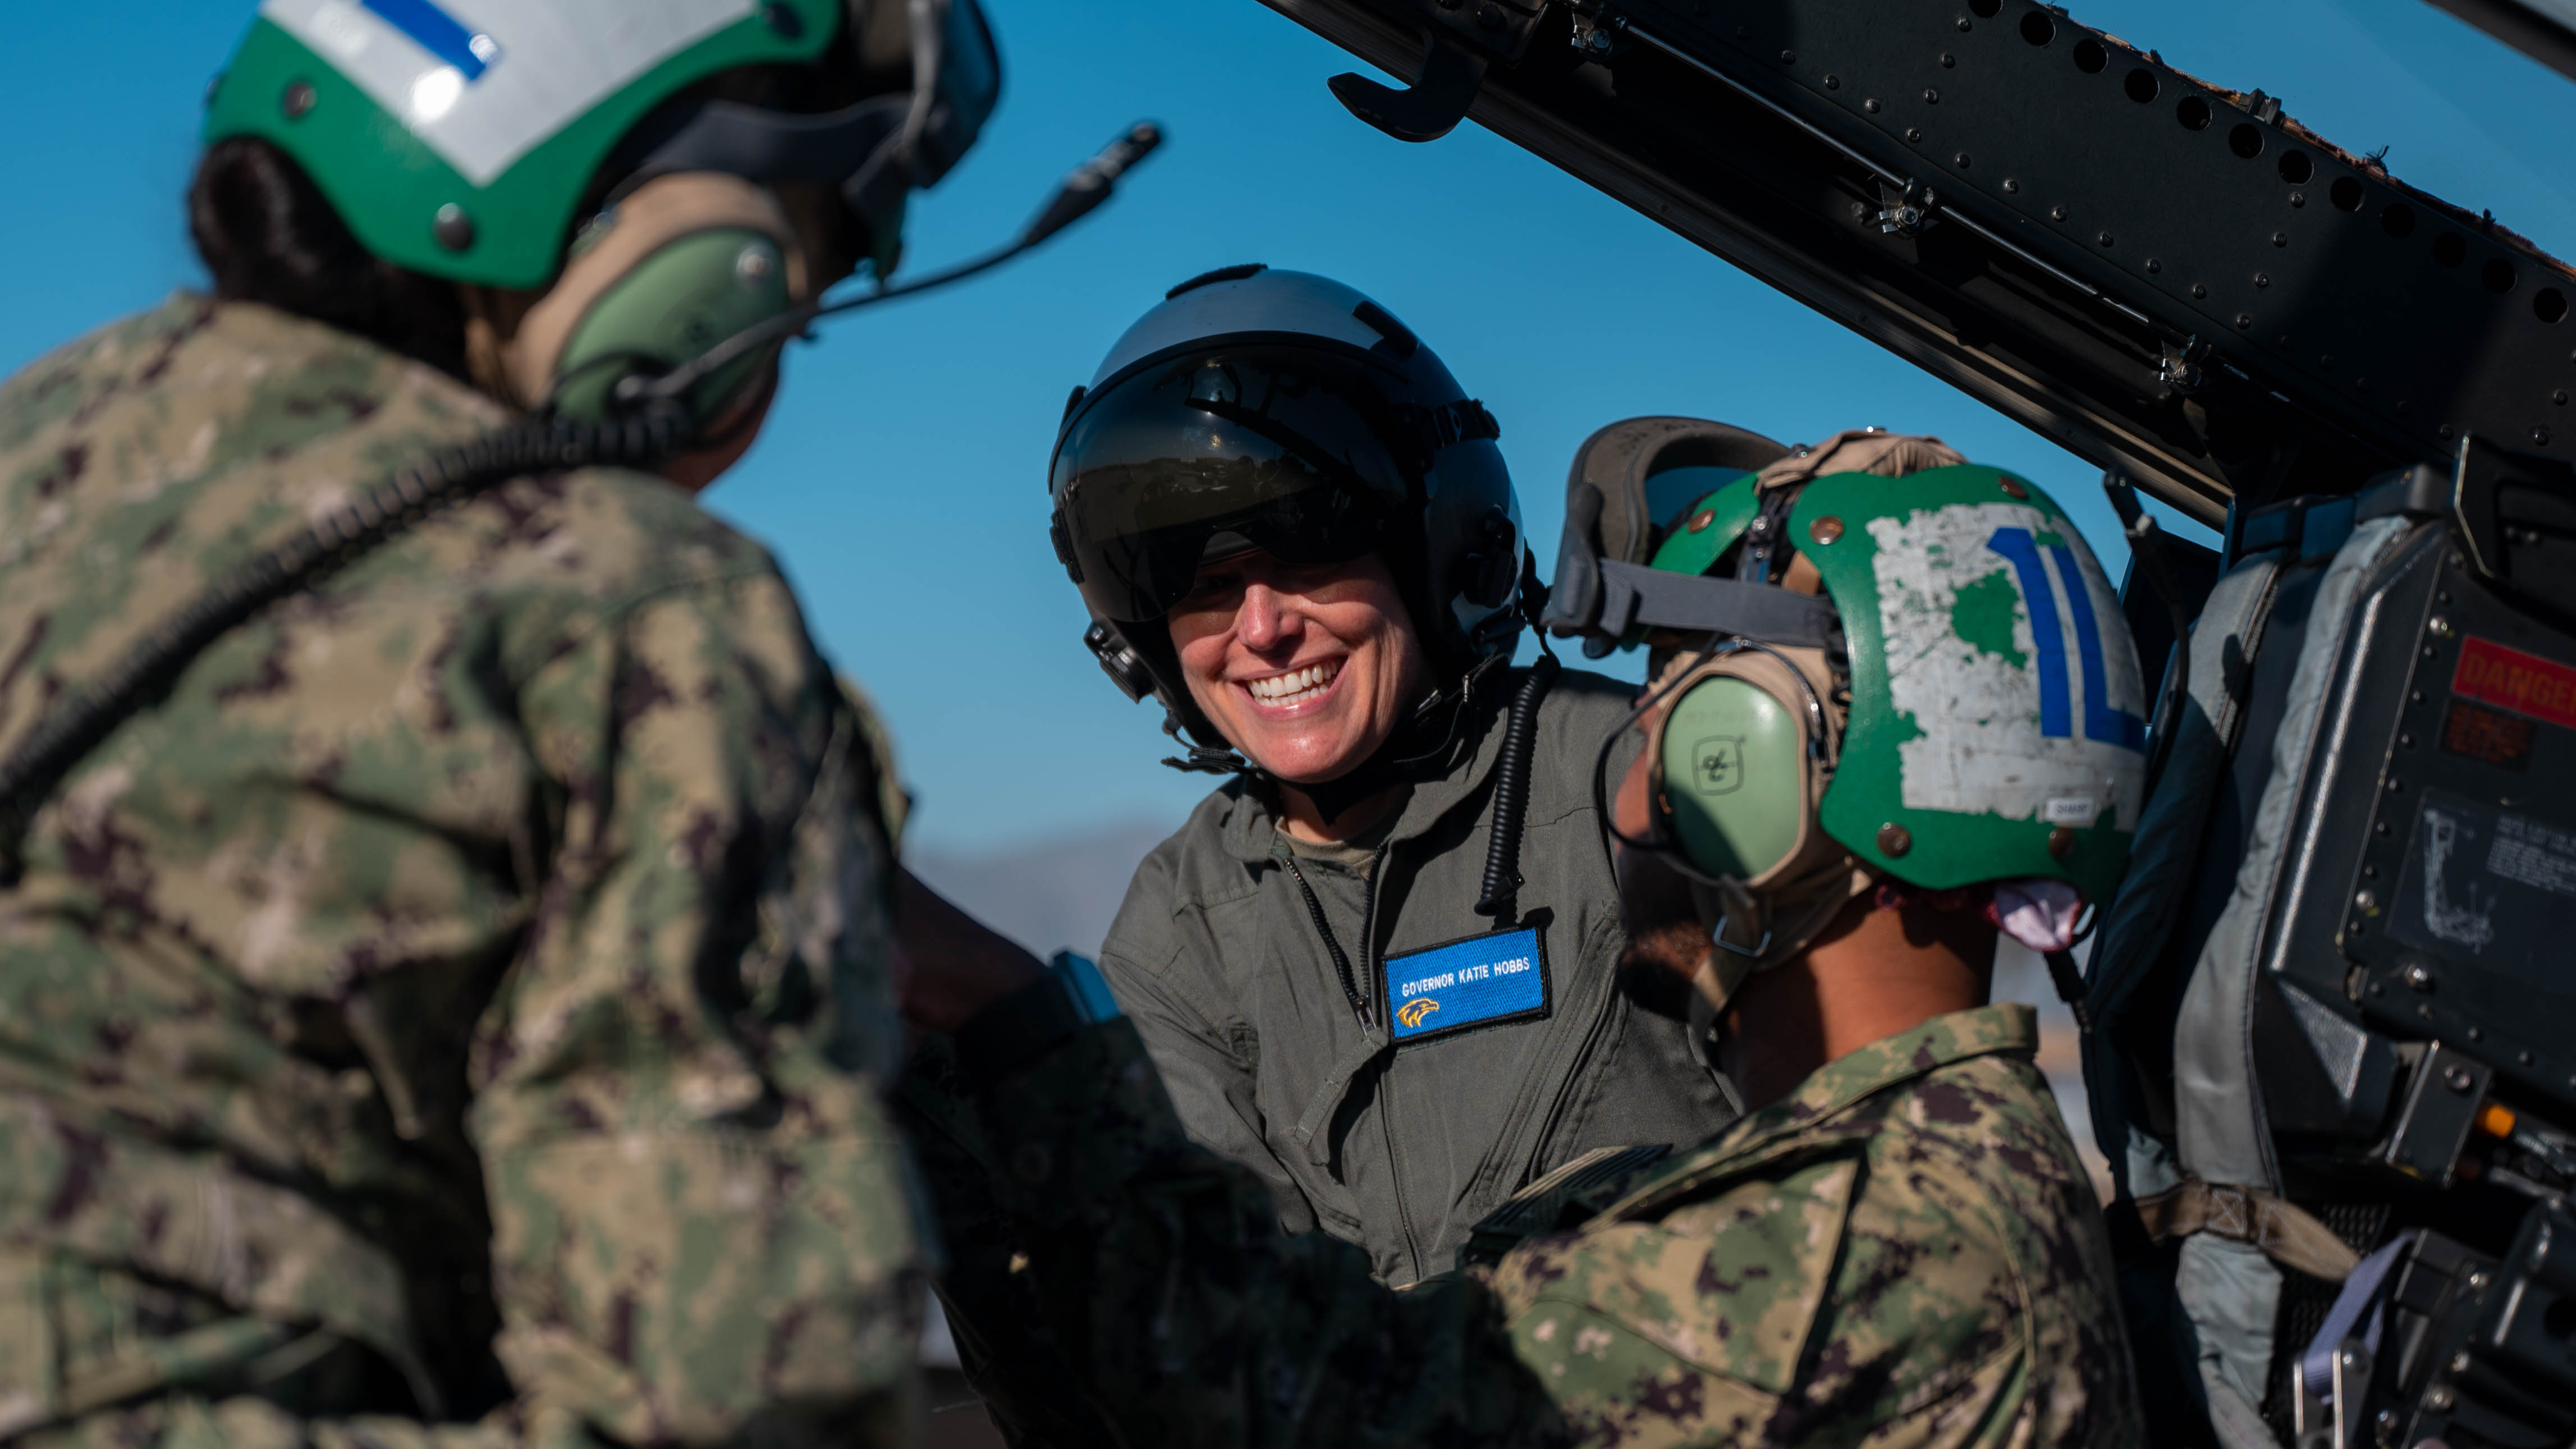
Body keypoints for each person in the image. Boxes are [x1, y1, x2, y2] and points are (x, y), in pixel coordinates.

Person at [0, 2, 1013, 1443]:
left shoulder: (35, 450)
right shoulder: (629, 601)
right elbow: (746, 1401)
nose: (785, 336)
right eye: (805, 252)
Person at [903, 427, 2147, 1445]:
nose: (1627, 772)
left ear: (1761, 769)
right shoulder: (1957, 1164)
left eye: (1667, 705)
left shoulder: (1862, 1245)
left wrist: (1005, 1021)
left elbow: (1305, 1398)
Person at [1043, 269, 1765, 1285]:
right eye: (1203, 586)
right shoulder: (1185, 924)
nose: (1261, 628)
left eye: (1304, 556)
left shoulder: (1637, 789)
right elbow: (1241, 1307)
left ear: (1444, 549)